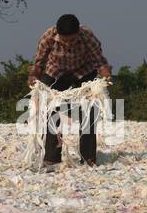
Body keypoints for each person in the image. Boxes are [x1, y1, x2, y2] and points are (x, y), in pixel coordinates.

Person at [27, 14, 112, 166]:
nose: (68, 44)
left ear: (78, 32)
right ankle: (52, 158)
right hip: (55, 73)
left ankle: (88, 158)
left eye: (72, 40)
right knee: (52, 112)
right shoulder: (48, 38)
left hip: (84, 72)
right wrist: (33, 77)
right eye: (64, 40)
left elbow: (100, 62)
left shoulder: (88, 37)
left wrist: (106, 77)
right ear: (57, 33)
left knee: (88, 111)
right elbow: (39, 63)